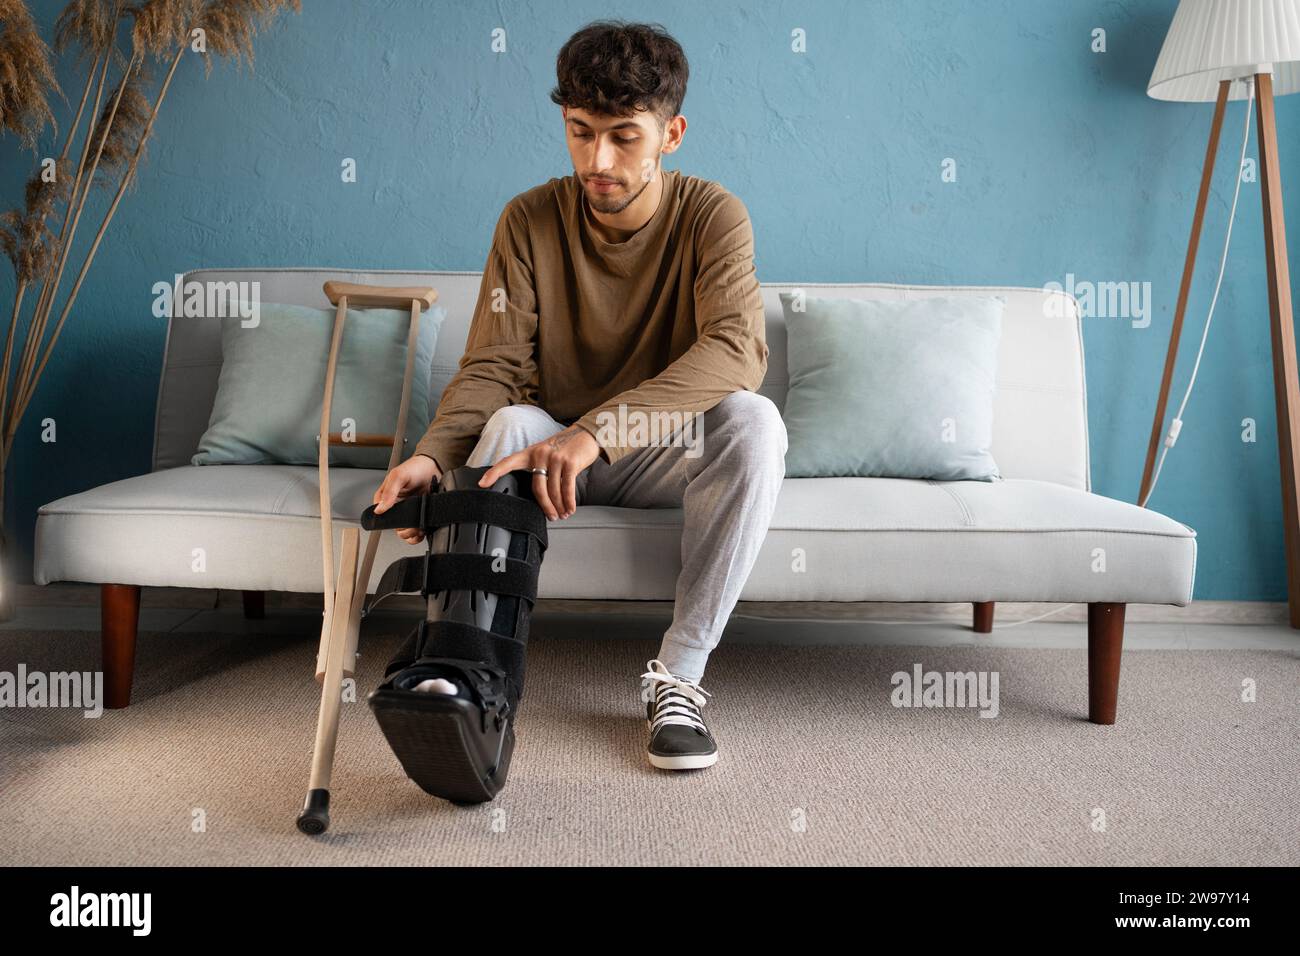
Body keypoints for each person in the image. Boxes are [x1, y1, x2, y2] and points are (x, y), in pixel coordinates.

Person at [371, 19, 787, 771]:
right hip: (547, 449)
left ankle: (680, 681)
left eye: (624, 136)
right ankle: (470, 672)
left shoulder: (713, 216)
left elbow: (734, 350)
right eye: (580, 131)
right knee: (506, 420)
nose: (598, 159)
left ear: (673, 133)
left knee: (754, 422)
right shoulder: (528, 219)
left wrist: (598, 431)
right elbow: (493, 362)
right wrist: (432, 455)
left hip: (662, 453)